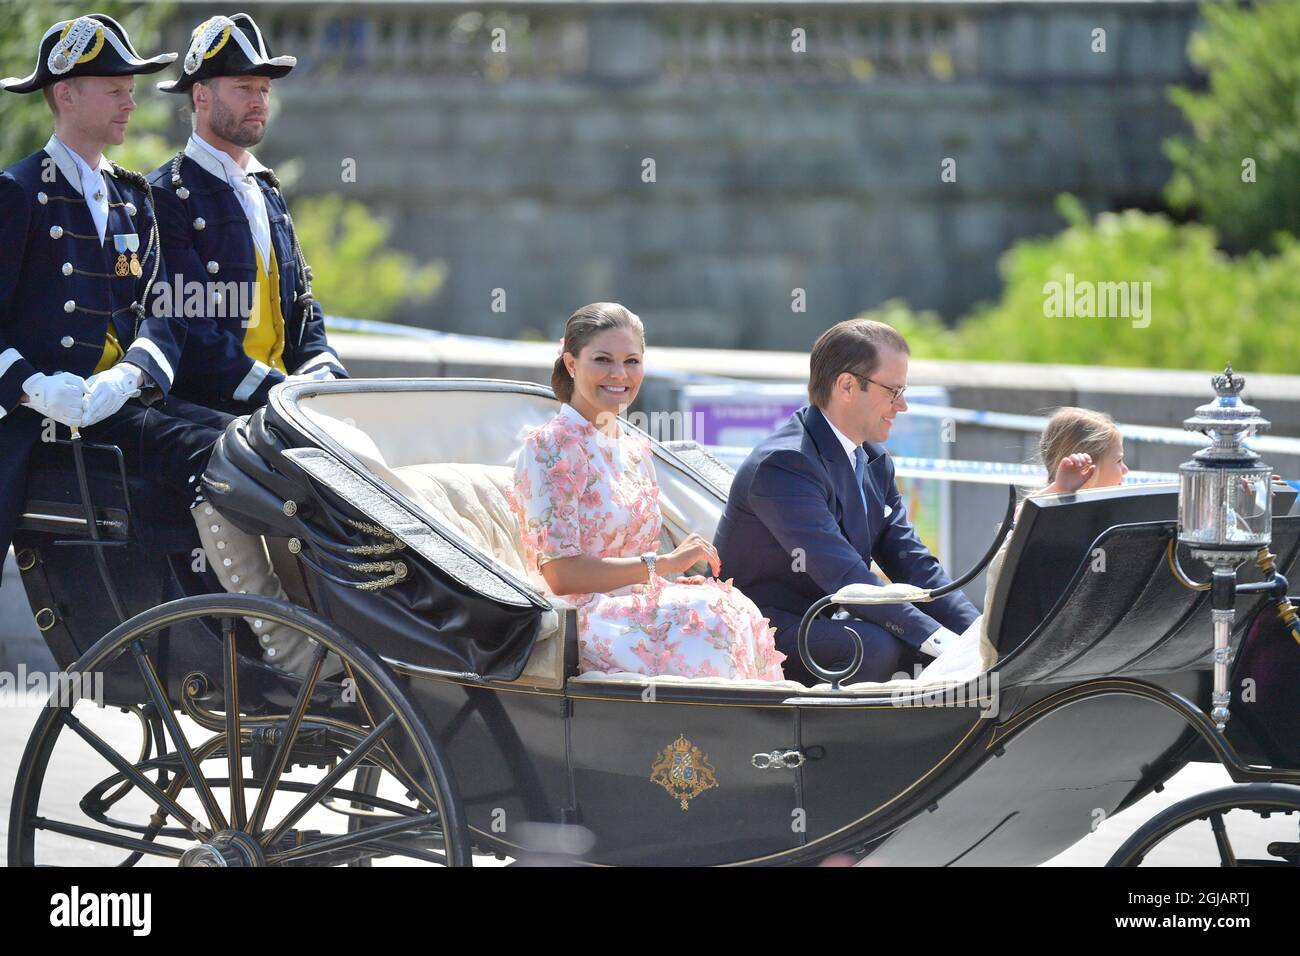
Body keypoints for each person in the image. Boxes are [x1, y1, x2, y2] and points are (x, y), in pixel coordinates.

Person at [0, 14, 229, 584]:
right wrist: (32, 386)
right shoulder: (20, 192)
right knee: (215, 454)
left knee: (244, 440)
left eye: (131, 90)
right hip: (47, 421)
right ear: (66, 94)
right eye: (114, 90)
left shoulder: (131, 196)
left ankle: (254, 619)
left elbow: (158, 306)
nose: (130, 103)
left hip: (120, 405)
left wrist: (128, 376)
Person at [507, 302, 786, 680]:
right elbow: (561, 575)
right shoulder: (549, 448)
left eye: (632, 362)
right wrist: (662, 566)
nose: (619, 375)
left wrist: (666, 580)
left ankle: (754, 730)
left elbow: (636, 557)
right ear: (572, 364)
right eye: (603, 360)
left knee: (733, 605)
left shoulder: (633, 448)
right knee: (713, 619)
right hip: (581, 620)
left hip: (634, 605)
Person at [714, 319, 979, 685]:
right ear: (847, 386)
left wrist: (981, 634)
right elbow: (844, 576)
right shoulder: (785, 464)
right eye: (893, 390)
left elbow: (913, 563)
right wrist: (945, 643)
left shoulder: (873, 458)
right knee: (875, 646)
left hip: (819, 618)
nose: (901, 405)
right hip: (758, 626)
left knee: (918, 642)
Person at [147, 13, 347, 415]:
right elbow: (191, 333)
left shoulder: (266, 188)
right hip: (215, 413)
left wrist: (322, 372)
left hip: (283, 404)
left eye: (264, 89)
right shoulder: (166, 194)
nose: (259, 101)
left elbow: (301, 304)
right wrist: (281, 392)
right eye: (243, 88)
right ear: (200, 95)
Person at [915, 406, 1130, 682]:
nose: (1125, 469)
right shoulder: (1044, 511)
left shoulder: (1115, 514)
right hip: (1039, 640)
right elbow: (1027, 527)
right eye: (1119, 460)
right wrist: (1062, 489)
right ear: (1091, 467)